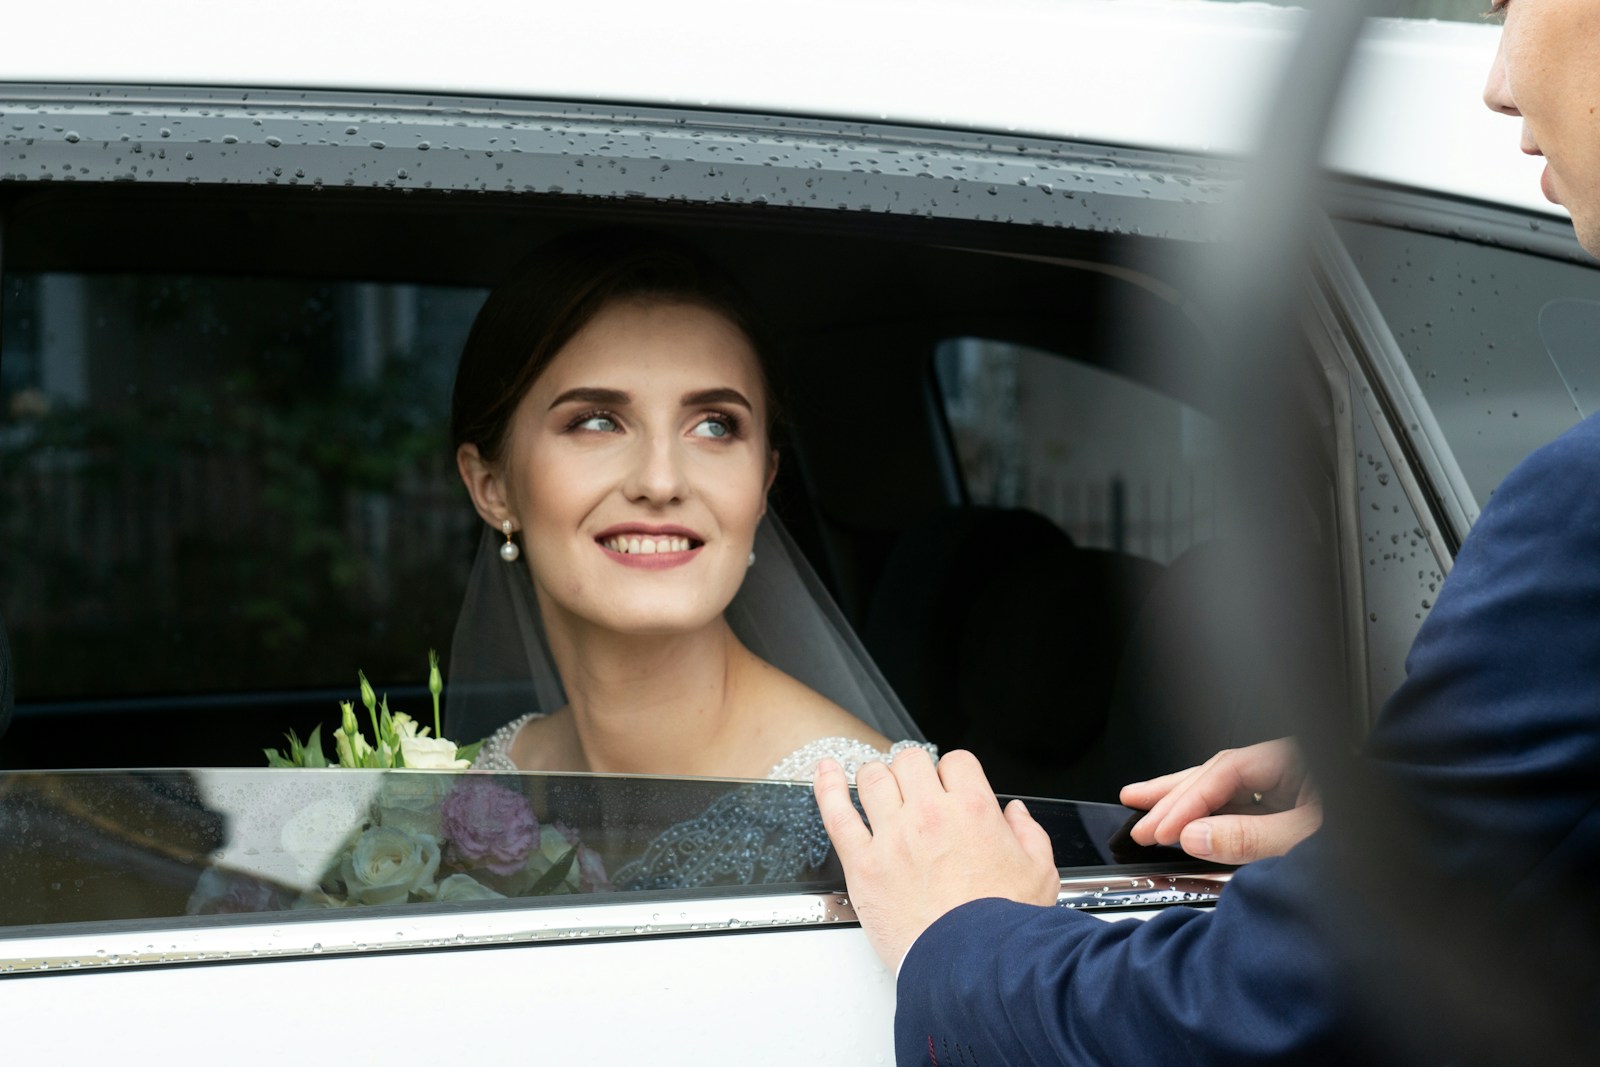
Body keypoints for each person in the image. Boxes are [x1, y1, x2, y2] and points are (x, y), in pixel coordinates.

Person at [814, 4, 1600, 1063]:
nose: (1497, 83)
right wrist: (1422, 804)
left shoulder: (1583, 504)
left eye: (1511, 2)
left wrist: (958, 931)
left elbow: (1265, 1015)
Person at [447, 229, 931, 782]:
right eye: (597, 422)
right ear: (491, 487)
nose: (661, 482)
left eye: (714, 426)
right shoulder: (490, 781)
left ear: (763, 485)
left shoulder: (876, 803)